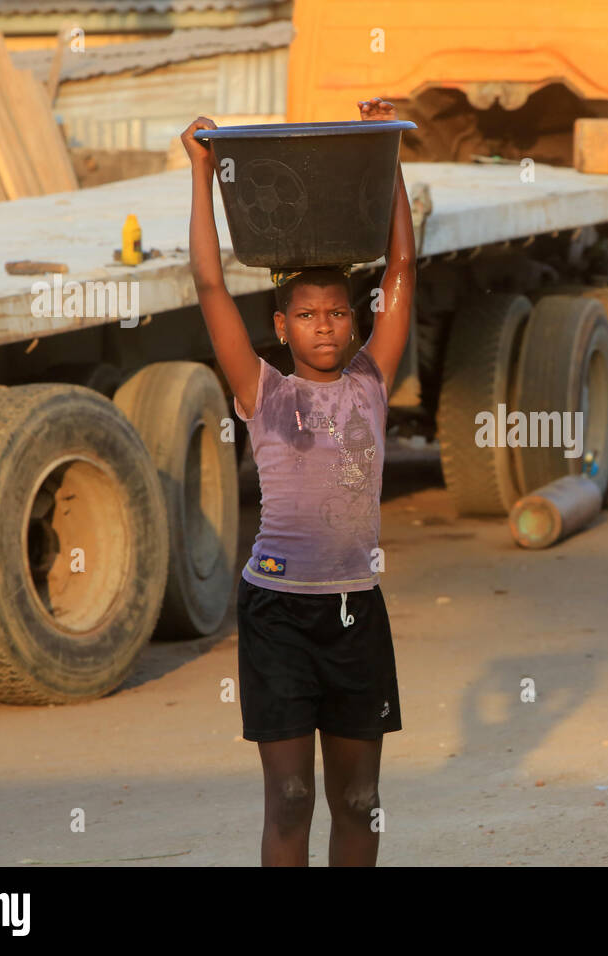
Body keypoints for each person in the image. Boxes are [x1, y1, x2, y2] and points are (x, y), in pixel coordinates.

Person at [180, 97, 415, 867]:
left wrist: (390, 158)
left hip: (355, 611)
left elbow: (404, 268)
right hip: (279, 613)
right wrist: (203, 175)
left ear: (355, 321)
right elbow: (212, 288)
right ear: (281, 326)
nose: (324, 325)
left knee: (359, 802)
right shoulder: (264, 392)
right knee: (290, 800)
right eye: (307, 313)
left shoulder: (372, 382)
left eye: (338, 312)